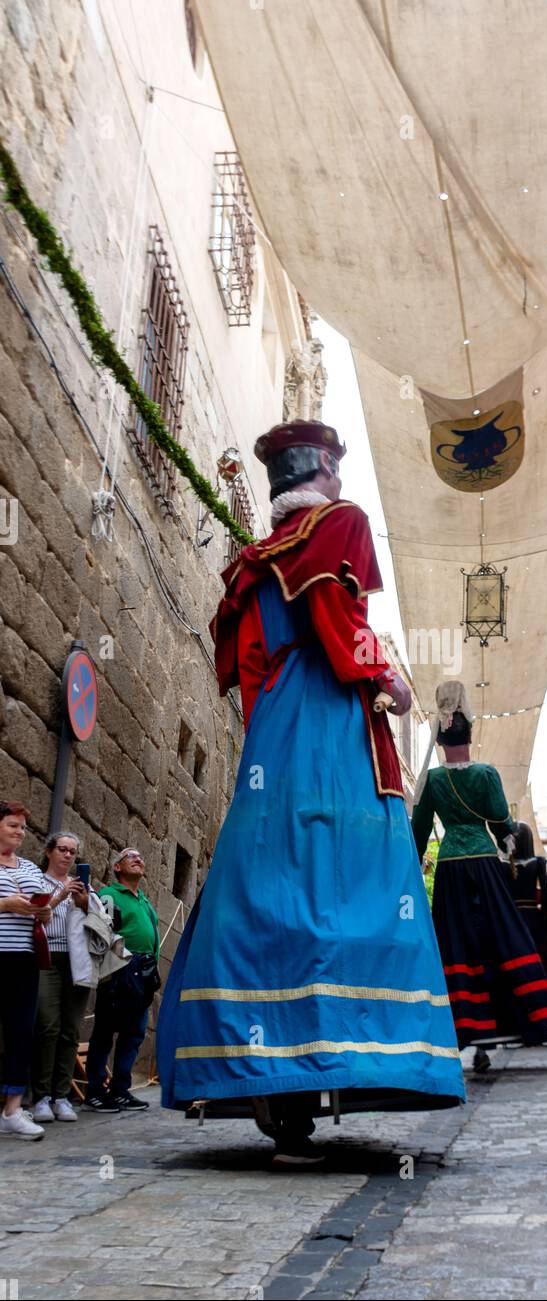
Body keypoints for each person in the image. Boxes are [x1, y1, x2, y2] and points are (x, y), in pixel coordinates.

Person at [157, 420, 464, 1162]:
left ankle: (277, 1085)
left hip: (278, 729)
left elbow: (254, 671)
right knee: (347, 870)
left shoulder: (251, 565)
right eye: (337, 474)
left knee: (272, 874)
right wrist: (387, 679)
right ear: (325, 476)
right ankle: (356, 1048)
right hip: (330, 718)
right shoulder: (341, 524)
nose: (341, 486)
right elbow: (341, 619)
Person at [412, 682, 547, 1074]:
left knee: (456, 945)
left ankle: (463, 1031)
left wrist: (414, 867)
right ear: (471, 733)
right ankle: (515, 1023)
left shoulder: (430, 781)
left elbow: (417, 832)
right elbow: (501, 824)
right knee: (500, 938)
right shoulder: (485, 774)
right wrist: (510, 838)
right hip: (483, 863)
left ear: (441, 738)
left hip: (448, 867)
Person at [84, 848, 159, 1114]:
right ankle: (94, 1091)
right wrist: (121, 964)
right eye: (131, 856)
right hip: (121, 968)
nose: (139, 859)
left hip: (144, 971)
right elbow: (102, 932)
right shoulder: (109, 896)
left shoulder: (144, 901)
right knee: (105, 1031)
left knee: (134, 1033)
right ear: (117, 867)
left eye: (141, 856)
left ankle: (121, 1090)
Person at [0, 800, 53, 1140]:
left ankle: (13, 1110)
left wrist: (42, 912)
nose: (20, 832)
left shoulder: (32, 869)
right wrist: (6, 904)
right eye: (12, 825)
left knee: (21, 1031)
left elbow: (45, 907)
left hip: (23, 958)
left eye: (22, 827)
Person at [31, 831, 90, 1124]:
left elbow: (96, 923)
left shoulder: (82, 886)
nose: (68, 856)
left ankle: (62, 1096)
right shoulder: (37, 881)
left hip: (77, 961)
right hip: (47, 958)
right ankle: (40, 1096)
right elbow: (35, 914)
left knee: (70, 1030)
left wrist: (84, 903)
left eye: (73, 852)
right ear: (49, 851)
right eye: (63, 850)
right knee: (47, 1026)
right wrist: (60, 896)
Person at [501, 822, 547, 1037]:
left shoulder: (504, 865)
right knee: (546, 969)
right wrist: (541, 917)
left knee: (517, 971)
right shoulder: (538, 863)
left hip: (514, 924)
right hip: (535, 921)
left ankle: (523, 1027)